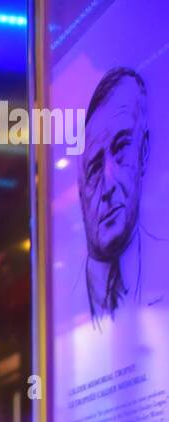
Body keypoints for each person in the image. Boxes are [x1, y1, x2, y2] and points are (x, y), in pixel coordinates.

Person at [77, 66, 162, 328]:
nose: (109, 183)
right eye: (94, 167)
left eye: (122, 148)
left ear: (144, 150)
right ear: (80, 192)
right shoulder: (63, 309)